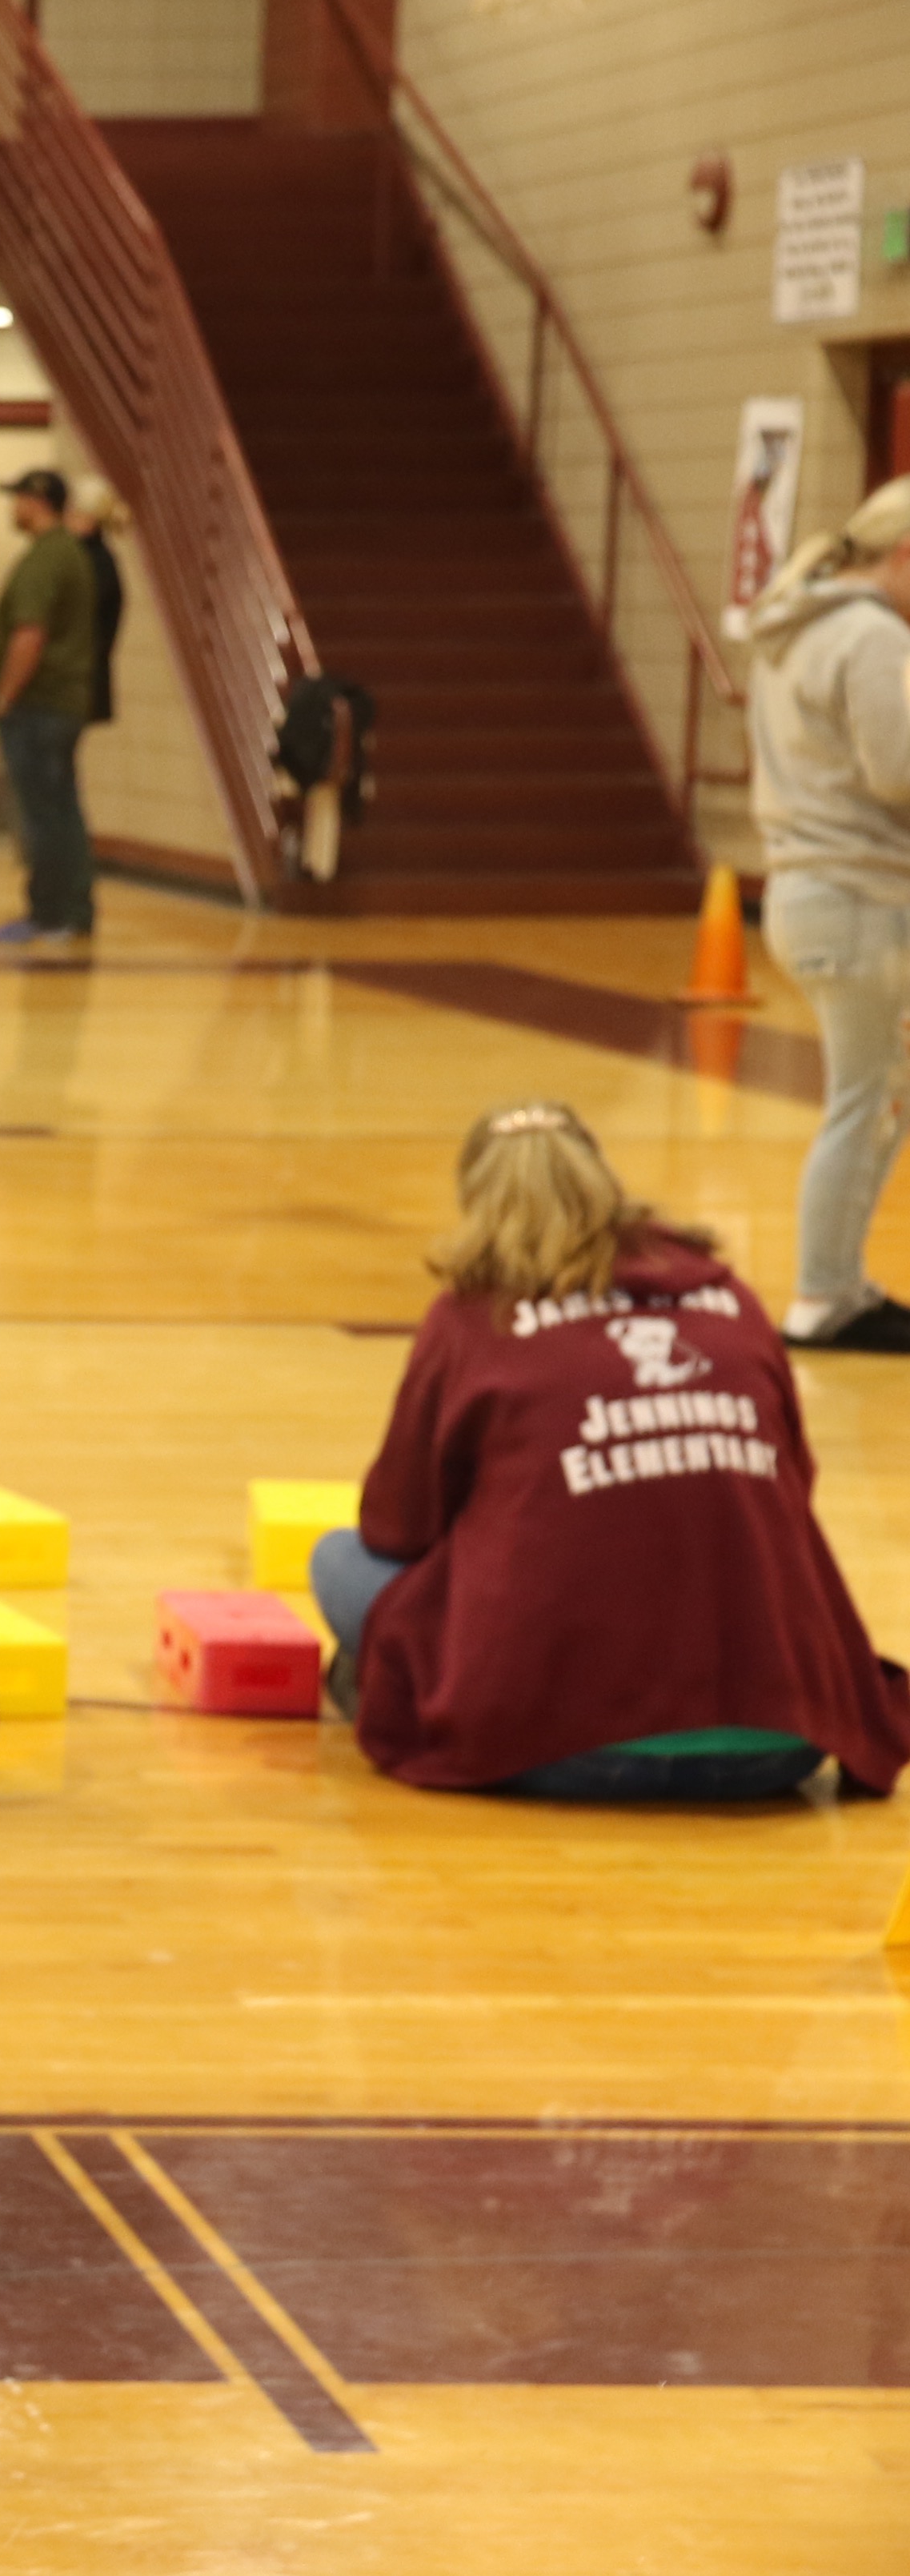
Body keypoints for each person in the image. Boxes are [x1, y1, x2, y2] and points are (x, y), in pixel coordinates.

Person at [314, 1101, 910, 1799]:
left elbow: (397, 1526)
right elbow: (791, 1489)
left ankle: (407, 1687)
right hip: (786, 1741)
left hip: (564, 1746)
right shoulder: (733, 1303)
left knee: (340, 1560)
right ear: (606, 1185)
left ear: (475, 1202)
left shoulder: (474, 1315)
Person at [736, 475, 910, 1351]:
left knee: (879, 1093)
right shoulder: (871, 636)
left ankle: (839, 1281)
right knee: (864, 1099)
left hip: (809, 892)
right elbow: (900, 774)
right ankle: (822, 1296)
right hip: (859, 899)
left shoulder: (792, 625)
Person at [0, 466, 102, 952]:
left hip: (38, 707)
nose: (13, 508)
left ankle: (48, 914)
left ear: (36, 501)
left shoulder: (46, 559)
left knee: (42, 815)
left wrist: (4, 695)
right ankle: (75, 911)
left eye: (17, 499)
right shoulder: (69, 553)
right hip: (61, 705)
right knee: (62, 809)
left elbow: (29, 634)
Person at [68, 483, 125, 726]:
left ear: (88, 520)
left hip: (78, 680)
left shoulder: (94, 562)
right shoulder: (90, 558)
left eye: (72, 513)